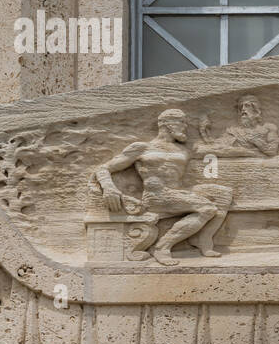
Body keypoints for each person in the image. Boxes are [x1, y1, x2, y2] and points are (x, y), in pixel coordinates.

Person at [93, 108, 233, 266]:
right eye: (181, 123)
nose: (185, 127)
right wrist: (108, 187)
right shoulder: (142, 147)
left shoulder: (183, 149)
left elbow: (213, 149)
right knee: (207, 209)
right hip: (156, 195)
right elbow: (104, 168)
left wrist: (205, 133)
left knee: (223, 194)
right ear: (167, 124)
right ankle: (162, 247)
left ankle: (203, 238)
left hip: (179, 192)